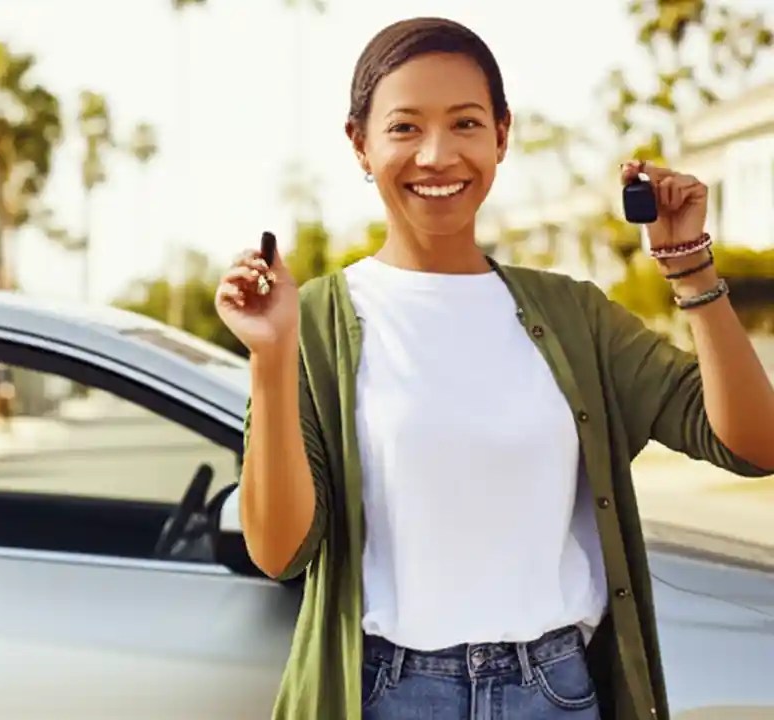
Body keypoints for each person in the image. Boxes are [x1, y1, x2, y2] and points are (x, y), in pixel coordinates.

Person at [215, 16, 774, 720]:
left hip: (556, 691)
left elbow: (754, 444)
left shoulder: (575, 316)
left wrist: (689, 266)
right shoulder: (316, 322)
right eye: (405, 128)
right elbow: (279, 552)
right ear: (359, 143)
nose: (438, 155)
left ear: (502, 136)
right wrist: (271, 357)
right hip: (389, 694)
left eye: (467, 123)